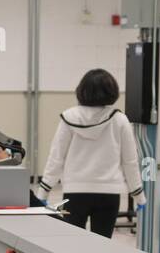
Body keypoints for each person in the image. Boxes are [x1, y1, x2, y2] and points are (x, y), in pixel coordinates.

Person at [41, 68, 143, 238]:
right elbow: (130, 161)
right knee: (102, 248)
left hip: (75, 192)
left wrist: (43, 191)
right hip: (109, 193)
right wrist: (138, 195)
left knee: (73, 247)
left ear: (82, 90)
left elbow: (56, 157)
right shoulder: (120, 120)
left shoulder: (68, 117)